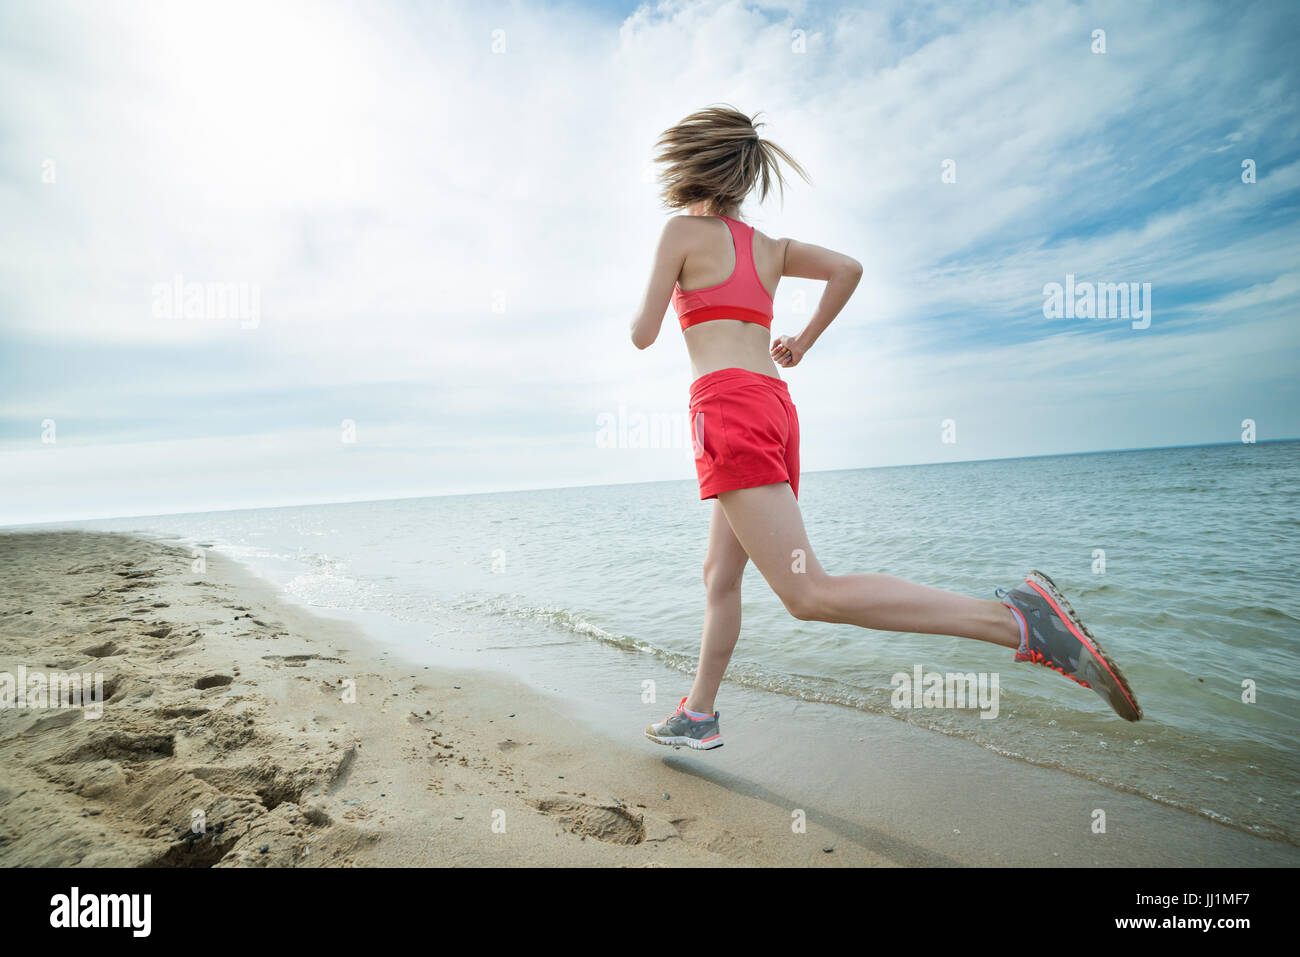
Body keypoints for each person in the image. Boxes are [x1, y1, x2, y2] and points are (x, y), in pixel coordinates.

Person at [630, 105, 1143, 749]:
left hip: (726, 407)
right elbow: (848, 268)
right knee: (720, 575)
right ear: (744, 174)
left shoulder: (680, 231)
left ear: (691, 166)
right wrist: (803, 342)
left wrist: (670, 292)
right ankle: (699, 710)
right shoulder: (768, 247)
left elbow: (642, 334)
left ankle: (1017, 623)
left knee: (807, 593)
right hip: (773, 404)